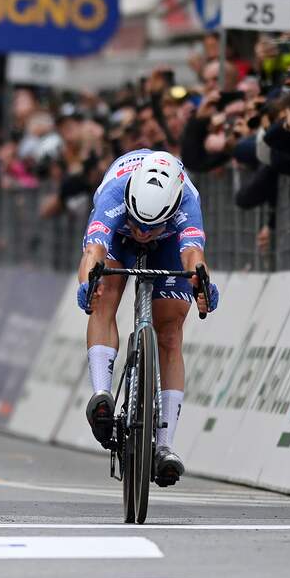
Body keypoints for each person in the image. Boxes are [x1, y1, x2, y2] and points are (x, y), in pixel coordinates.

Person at [75, 150, 218, 487]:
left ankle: (165, 445)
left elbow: (193, 256)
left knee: (169, 333)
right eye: (138, 223)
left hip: (169, 244)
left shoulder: (187, 203)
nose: (142, 232)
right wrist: (86, 283)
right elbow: (94, 251)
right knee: (103, 295)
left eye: (149, 226)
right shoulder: (115, 191)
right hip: (116, 239)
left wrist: (202, 286)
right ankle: (101, 395)